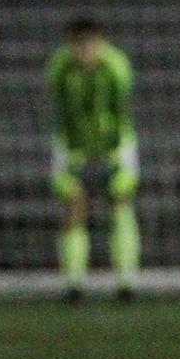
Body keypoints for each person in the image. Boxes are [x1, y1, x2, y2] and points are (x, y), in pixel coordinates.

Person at [48, 16, 140, 304]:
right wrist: (67, 156)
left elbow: (121, 115)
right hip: (74, 148)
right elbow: (63, 117)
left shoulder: (116, 67)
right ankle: (74, 284)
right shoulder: (59, 69)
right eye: (79, 45)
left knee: (120, 200)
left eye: (90, 44)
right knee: (74, 205)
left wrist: (118, 156)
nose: (84, 51)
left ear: (100, 43)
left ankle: (126, 282)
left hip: (114, 146)